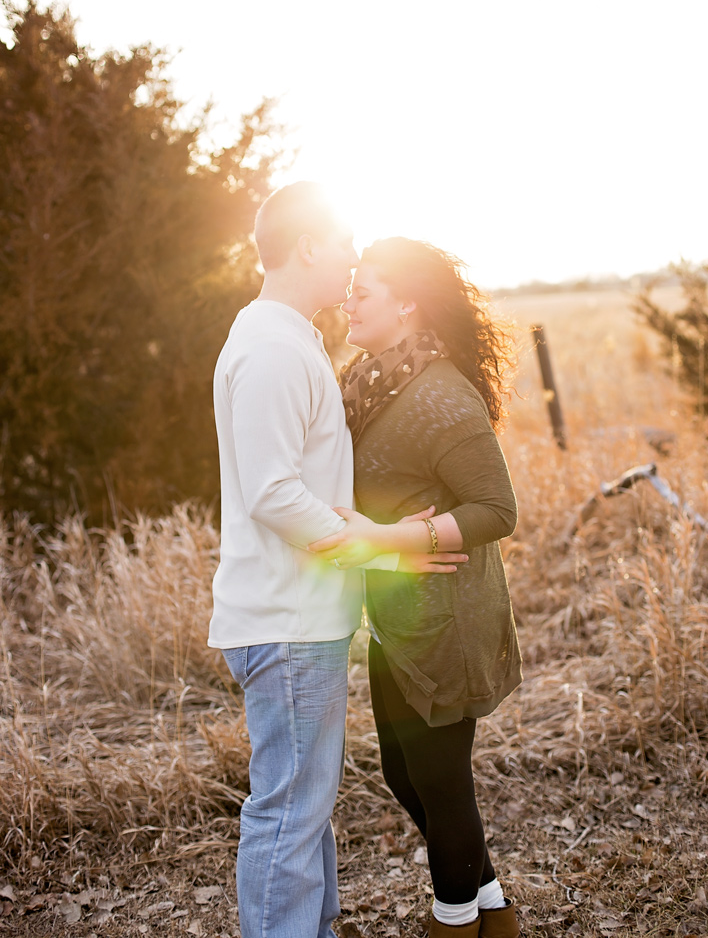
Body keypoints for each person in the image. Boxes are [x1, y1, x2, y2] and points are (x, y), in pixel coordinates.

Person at [209, 185, 465, 938]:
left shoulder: (287, 338)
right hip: (286, 621)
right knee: (288, 811)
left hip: (301, 614)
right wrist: (384, 552)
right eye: (345, 242)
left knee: (305, 803)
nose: (354, 260)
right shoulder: (271, 348)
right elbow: (273, 494)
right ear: (308, 246)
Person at [308, 238, 523, 938]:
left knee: (440, 781)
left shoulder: (440, 394)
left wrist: (391, 537)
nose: (348, 302)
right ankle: (492, 911)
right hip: (397, 613)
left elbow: (497, 510)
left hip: (449, 617)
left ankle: (454, 920)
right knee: (407, 775)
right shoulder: (369, 379)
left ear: (407, 304)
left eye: (362, 292)